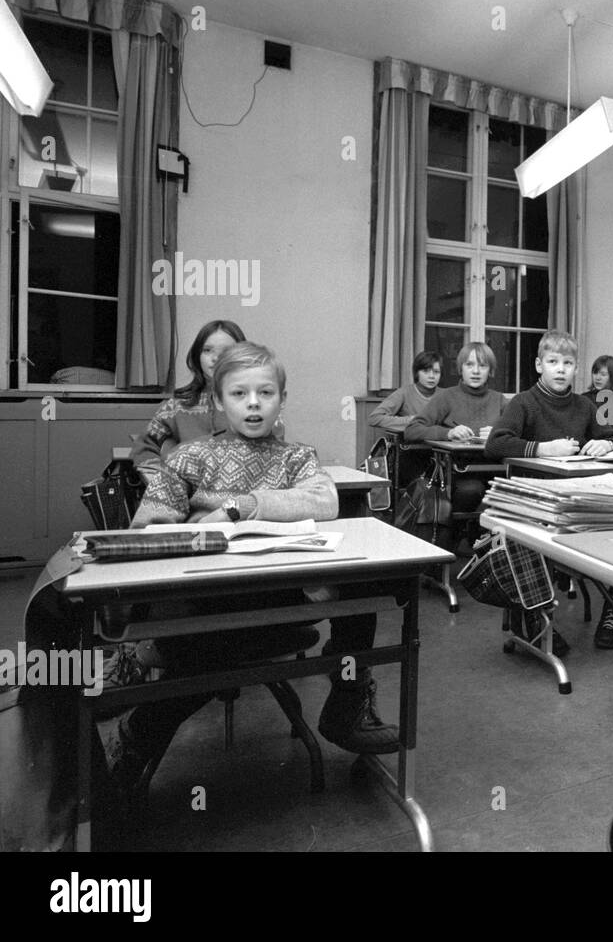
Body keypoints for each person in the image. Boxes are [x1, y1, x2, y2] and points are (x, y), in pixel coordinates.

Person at [105, 343, 401, 797]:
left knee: (362, 576)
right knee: (210, 655)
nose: (254, 403)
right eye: (240, 394)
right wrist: (193, 531)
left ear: (282, 398)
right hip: (207, 599)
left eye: (266, 393)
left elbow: (325, 500)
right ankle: (136, 735)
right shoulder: (188, 457)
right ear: (219, 401)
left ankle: (348, 700)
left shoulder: (297, 457)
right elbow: (148, 526)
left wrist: (240, 507)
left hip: (280, 596)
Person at [485, 331, 613, 653]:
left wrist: (607, 442)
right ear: (539, 365)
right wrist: (542, 449)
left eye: (567, 363)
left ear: (576, 368)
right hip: (534, 500)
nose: (560, 369)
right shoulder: (523, 402)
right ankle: (536, 616)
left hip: (578, 498)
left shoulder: (586, 406)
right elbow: (494, 444)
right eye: (553, 362)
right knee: (526, 537)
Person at [130, 320, 284, 480]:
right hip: (186, 497)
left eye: (227, 351)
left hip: (245, 495)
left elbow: (274, 456)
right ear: (197, 355)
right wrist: (162, 483)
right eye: (207, 350)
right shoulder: (178, 405)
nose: (216, 358)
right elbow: (144, 447)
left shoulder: (258, 404)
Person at [405, 342, 506, 552]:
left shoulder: (500, 401)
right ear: (461, 368)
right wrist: (447, 433)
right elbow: (412, 430)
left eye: (483, 365)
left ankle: (476, 541)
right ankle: (460, 536)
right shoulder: (446, 397)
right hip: (454, 476)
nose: (476, 371)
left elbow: (522, 434)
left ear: (491, 370)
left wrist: (499, 435)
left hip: (497, 474)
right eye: (470, 365)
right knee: (472, 490)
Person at [369, 350, 441, 435]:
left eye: (436, 372)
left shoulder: (446, 395)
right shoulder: (404, 393)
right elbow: (374, 418)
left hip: (441, 445)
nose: (431, 376)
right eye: (426, 371)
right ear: (416, 373)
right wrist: (411, 420)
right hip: (411, 445)